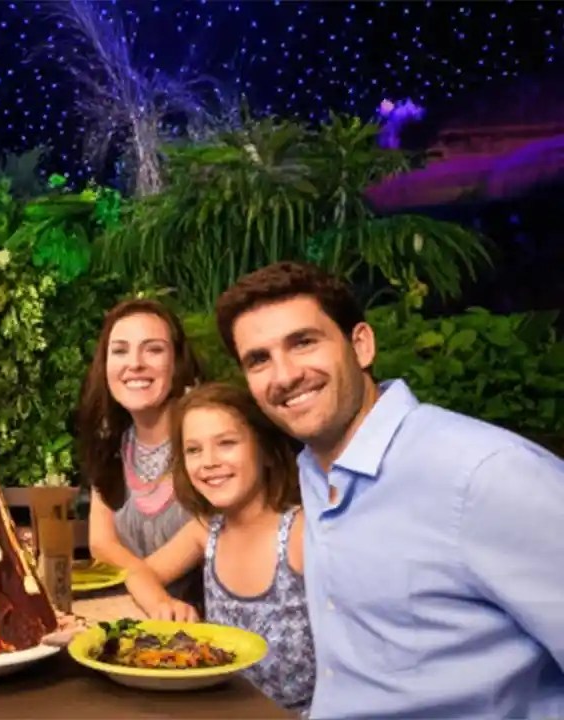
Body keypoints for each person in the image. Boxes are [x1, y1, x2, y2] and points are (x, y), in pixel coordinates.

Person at [216, 260, 564, 719]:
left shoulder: (486, 474)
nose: (283, 376)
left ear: (360, 345)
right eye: (259, 359)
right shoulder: (317, 474)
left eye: (303, 342)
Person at [114, 383, 315, 713]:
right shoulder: (207, 530)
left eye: (226, 443)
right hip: (221, 709)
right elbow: (138, 572)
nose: (208, 462)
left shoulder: (300, 533)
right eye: (194, 450)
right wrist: (162, 602)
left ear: (264, 450)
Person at [76, 298, 206, 611]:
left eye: (153, 349)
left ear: (177, 362)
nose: (135, 363)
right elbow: (101, 542)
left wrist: (140, 589)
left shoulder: (207, 437)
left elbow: (206, 528)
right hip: (136, 619)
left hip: (202, 626)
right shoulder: (109, 444)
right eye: (120, 350)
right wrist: (144, 592)